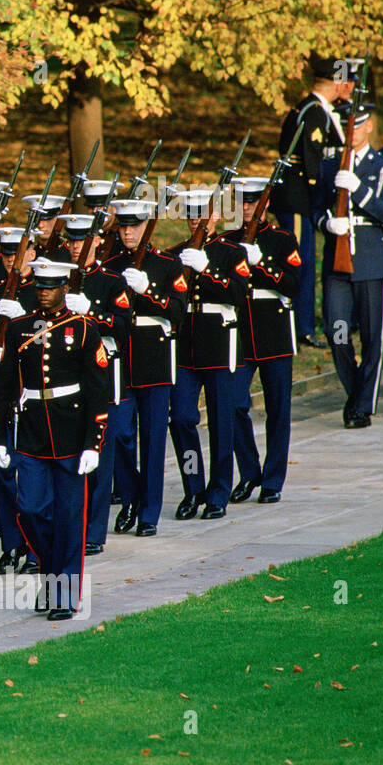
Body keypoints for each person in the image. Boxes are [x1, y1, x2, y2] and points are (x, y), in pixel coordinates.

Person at [0, 259, 110, 620]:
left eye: (51, 286)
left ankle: (64, 594)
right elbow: (4, 386)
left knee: (70, 516)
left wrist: (93, 442)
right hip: (33, 432)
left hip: (72, 432)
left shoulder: (85, 330)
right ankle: (49, 572)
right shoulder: (20, 329)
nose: (44, 291)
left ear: (65, 289)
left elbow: (98, 390)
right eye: (39, 285)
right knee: (30, 509)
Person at [102, 199, 188, 536]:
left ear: (146, 227)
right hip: (120, 362)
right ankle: (131, 499)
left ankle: (149, 511)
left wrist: (147, 289)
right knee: (120, 433)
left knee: (152, 440)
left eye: (134, 226)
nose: (127, 232)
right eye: (122, 226)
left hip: (153, 360)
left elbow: (177, 312)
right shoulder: (108, 266)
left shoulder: (167, 264)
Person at [167, 189, 251, 521]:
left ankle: (218, 492)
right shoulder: (175, 254)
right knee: (183, 418)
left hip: (218, 343)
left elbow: (240, 294)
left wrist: (207, 270)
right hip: (185, 346)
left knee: (221, 421)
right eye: (191, 214)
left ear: (215, 217)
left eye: (202, 214)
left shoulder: (232, 252)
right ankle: (193, 489)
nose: (196, 220)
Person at [222, 176, 302, 504]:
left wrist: (263, 264)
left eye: (252, 202)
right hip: (239, 335)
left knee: (277, 409)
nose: (245, 208)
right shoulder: (227, 242)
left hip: (274, 334)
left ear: (265, 204)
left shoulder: (283, 239)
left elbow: (293, 284)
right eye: (240, 201)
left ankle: (272, 480)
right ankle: (250, 470)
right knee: (234, 403)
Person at [273, 55, 359, 348]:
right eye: (345, 82)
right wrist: (321, 202)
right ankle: (297, 327)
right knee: (298, 261)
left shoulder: (317, 110)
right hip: (298, 200)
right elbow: (312, 164)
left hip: (301, 200)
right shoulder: (313, 113)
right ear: (335, 83)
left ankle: (302, 324)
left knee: (305, 261)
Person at [59, 216, 132, 553]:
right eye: (71, 241)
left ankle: (94, 530)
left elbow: (123, 326)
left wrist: (92, 314)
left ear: (97, 243)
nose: (76, 246)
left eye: (82, 240)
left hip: (103, 372)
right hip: (68, 375)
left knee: (102, 448)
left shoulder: (111, 281)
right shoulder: (58, 280)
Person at [316, 102, 383, 428]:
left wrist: (358, 189)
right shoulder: (330, 165)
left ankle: (361, 407)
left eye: (358, 125)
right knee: (337, 332)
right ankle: (355, 393)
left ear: (369, 127)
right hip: (337, 257)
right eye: (348, 125)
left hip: (371, 260)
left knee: (373, 337)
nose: (353, 131)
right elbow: (315, 210)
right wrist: (326, 225)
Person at [0, 226, 39, 571]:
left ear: (31, 255)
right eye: (4, 256)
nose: (11, 262)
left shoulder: (42, 295)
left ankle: (33, 548)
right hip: (1, 393)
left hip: (30, 394)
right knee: (0, 469)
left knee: (30, 475)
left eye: (17, 255)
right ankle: (11, 542)